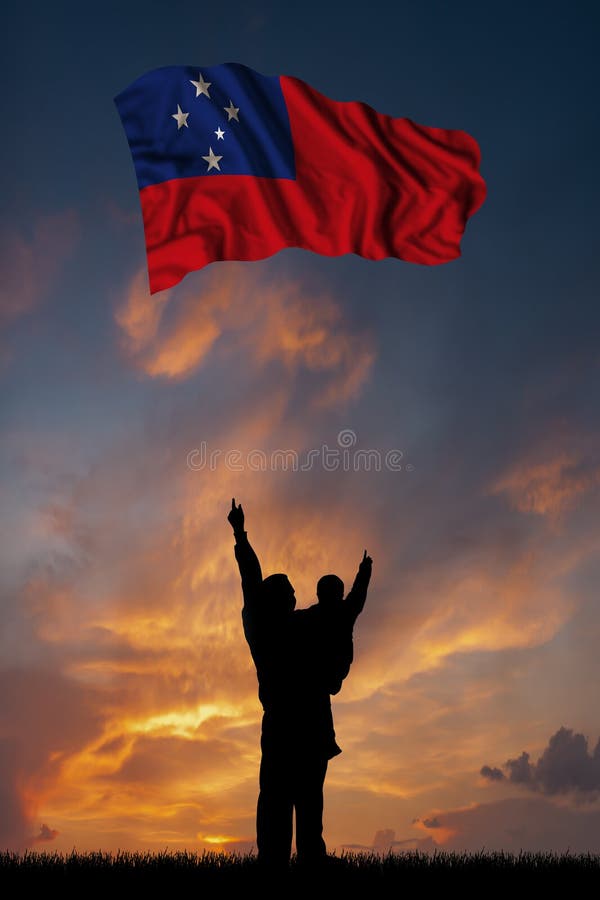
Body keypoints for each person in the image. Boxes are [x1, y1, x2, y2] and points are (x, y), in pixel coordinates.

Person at [227, 497, 372, 869]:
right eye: (289, 590)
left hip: (302, 724)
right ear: (274, 600)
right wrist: (241, 536)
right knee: (283, 799)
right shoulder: (266, 629)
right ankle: (283, 860)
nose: (295, 594)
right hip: (292, 724)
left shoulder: (301, 624)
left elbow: (344, 611)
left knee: (304, 800)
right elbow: (251, 580)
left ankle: (301, 858)